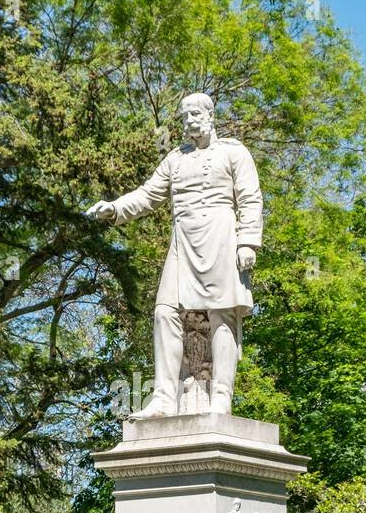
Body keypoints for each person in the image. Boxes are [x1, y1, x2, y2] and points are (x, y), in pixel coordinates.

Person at [87, 93, 263, 416]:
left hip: (221, 237)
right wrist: (114, 209)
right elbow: (147, 195)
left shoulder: (234, 153)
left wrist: (248, 241)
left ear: (210, 115)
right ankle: (165, 398)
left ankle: (222, 397)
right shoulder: (175, 159)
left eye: (195, 114)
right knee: (164, 311)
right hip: (183, 241)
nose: (189, 121)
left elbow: (250, 198)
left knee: (221, 313)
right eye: (184, 117)